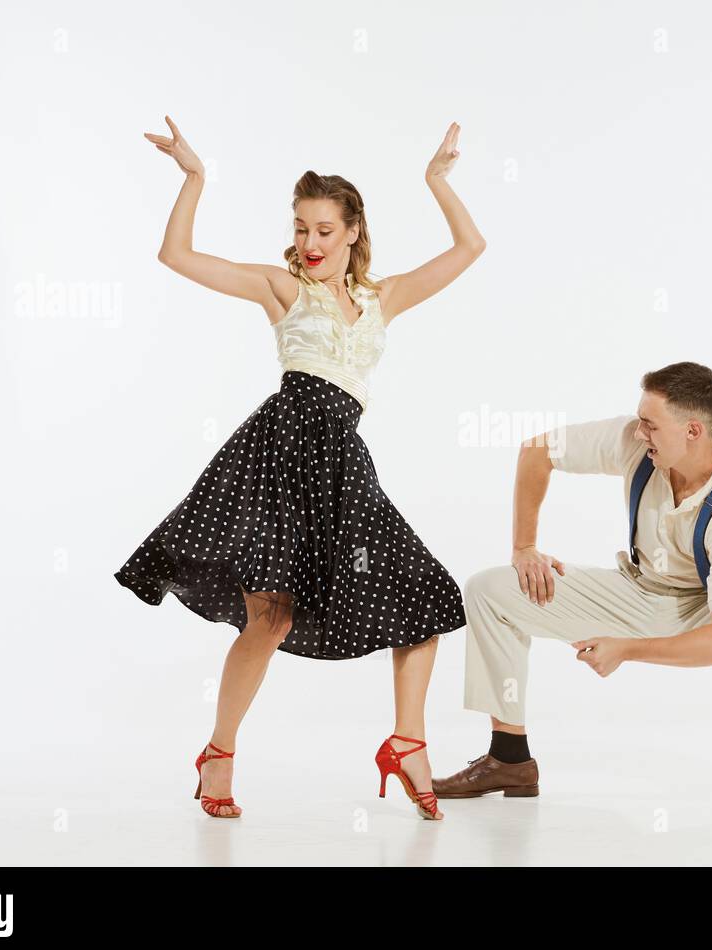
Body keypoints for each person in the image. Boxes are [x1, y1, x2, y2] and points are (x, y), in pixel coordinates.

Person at [114, 116, 484, 821]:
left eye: (323, 230)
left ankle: (408, 741)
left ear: (352, 232)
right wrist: (195, 178)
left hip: (344, 466)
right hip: (280, 455)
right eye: (302, 228)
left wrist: (436, 181)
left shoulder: (385, 298)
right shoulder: (279, 288)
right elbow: (175, 254)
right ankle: (218, 753)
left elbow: (471, 246)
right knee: (270, 618)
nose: (309, 244)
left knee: (424, 596)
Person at [432, 361, 712, 824]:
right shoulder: (632, 444)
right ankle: (509, 759)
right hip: (633, 590)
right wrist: (524, 547)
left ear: (693, 430)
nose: (639, 433)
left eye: (651, 424)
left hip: (706, 606)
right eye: (640, 420)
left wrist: (628, 650)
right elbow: (537, 449)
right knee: (490, 590)